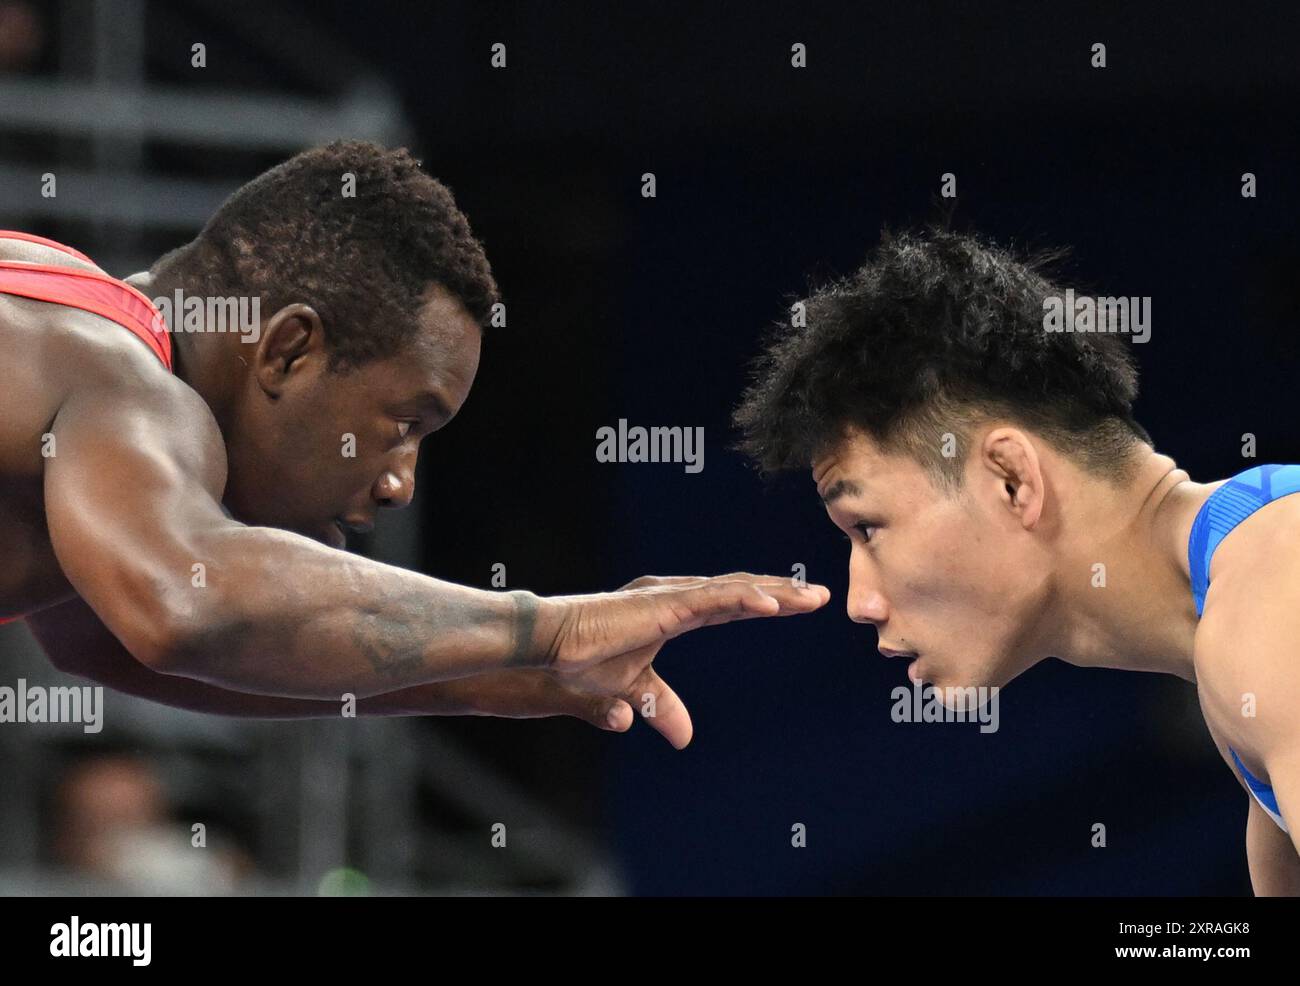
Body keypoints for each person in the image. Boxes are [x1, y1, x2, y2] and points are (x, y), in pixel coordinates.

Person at [0, 140, 828, 750]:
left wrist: (512, 680)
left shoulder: (62, 333)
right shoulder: (122, 382)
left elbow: (99, 638)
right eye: (404, 425)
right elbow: (186, 605)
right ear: (289, 350)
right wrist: (548, 626)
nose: (398, 483)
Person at [733, 227, 1300, 893]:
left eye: (868, 527)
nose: (860, 602)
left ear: (1011, 479)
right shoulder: (1241, 623)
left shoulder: (1269, 612)